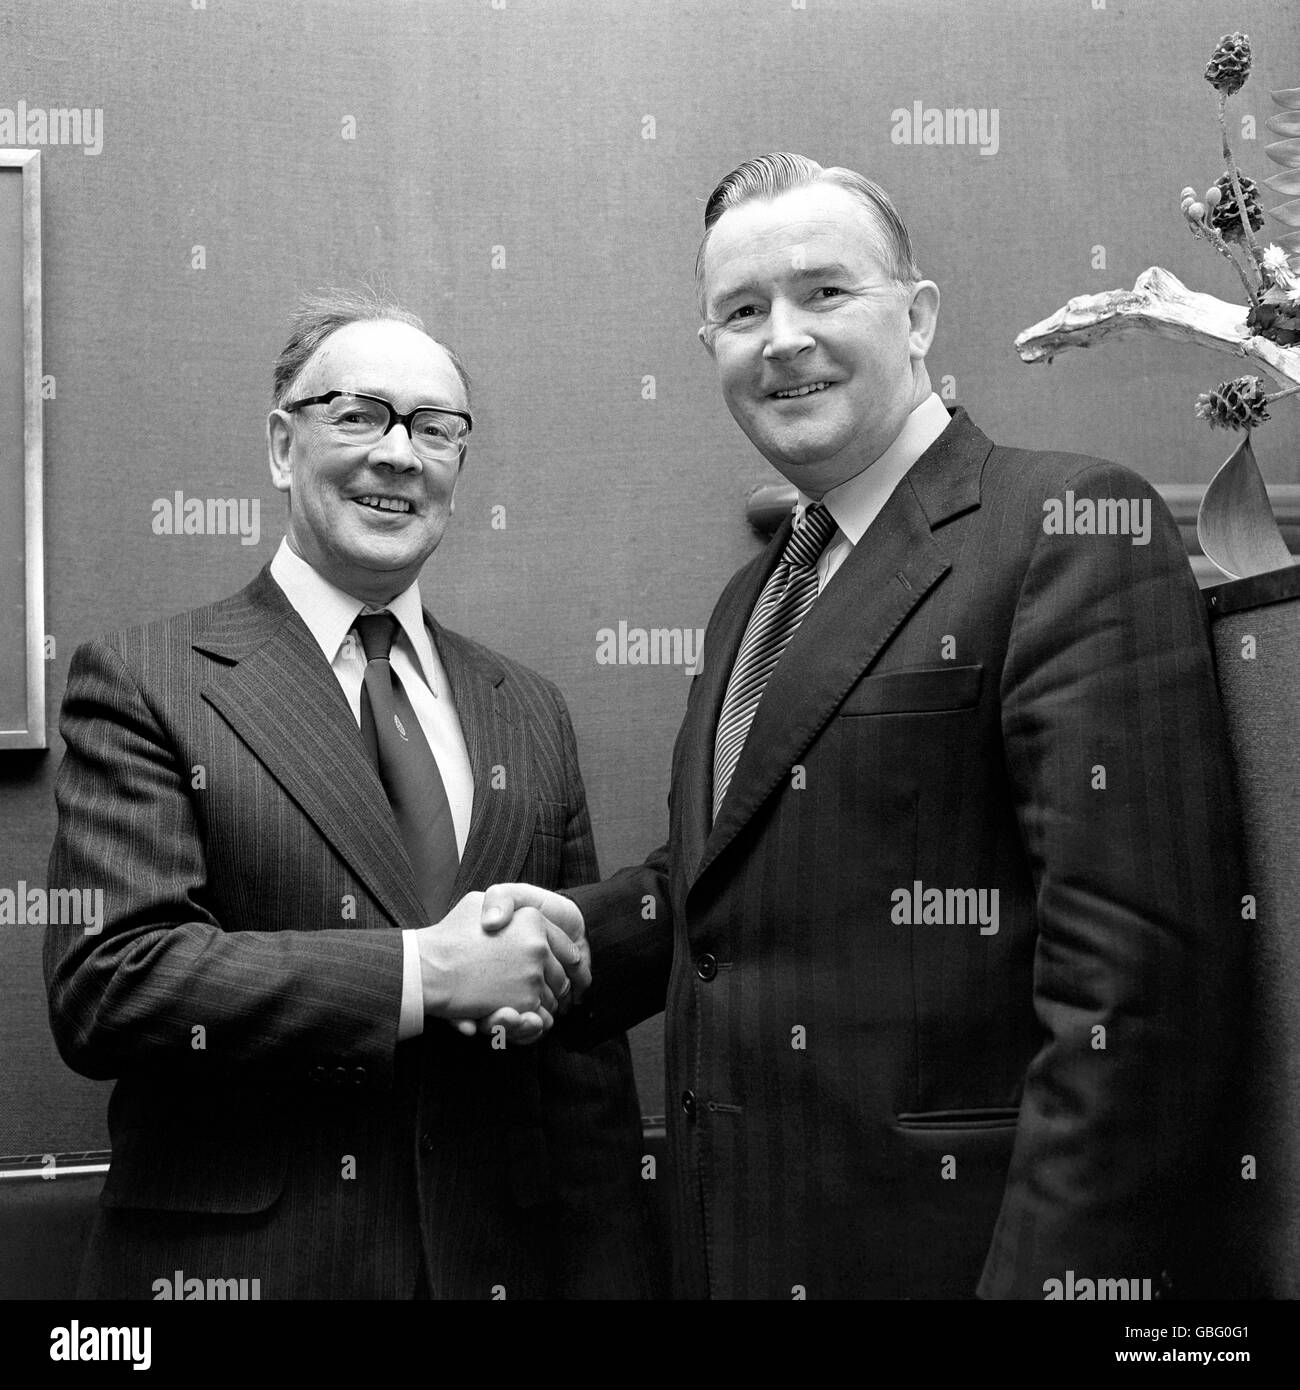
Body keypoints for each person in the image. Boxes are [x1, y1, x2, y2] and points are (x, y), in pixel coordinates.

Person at [491, 153, 1246, 1299]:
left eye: (823, 292)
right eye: (740, 312)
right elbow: (737, 883)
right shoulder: (752, 597)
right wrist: (572, 940)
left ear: (920, 315)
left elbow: (1136, 1002)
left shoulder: (1067, 528)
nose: (780, 337)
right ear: (711, 353)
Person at [44, 289, 653, 1300]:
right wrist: (422, 973)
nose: (399, 454)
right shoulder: (148, 677)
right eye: (358, 414)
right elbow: (112, 984)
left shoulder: (527, 709)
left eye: (434, 428)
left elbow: (576, 1051)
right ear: (283, 445)